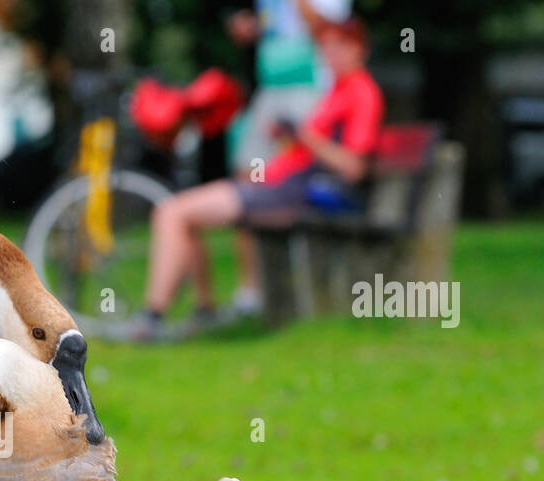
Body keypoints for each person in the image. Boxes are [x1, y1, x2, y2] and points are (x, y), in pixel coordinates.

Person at [135, 16, 381, 339]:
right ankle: (203, 310)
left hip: (296, 191)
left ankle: (152, 317)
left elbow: (353, 167)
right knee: (181, 213)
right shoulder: (337, 91)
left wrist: (303, 137)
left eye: (339, 47)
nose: (330, 55)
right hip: (280, 184)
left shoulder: (361, 92)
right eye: (325, 47)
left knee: (172, 211)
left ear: (359, 49)